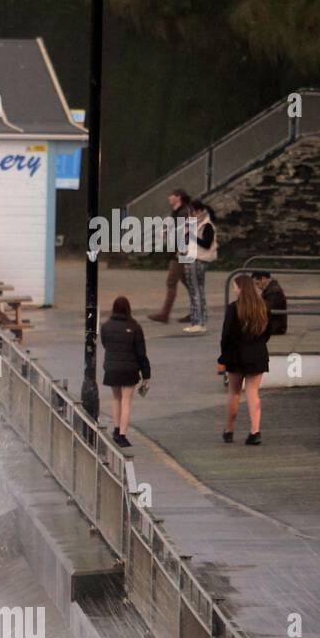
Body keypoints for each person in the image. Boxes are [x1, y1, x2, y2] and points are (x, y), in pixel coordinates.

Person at [218, 274, 272, 445]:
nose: (234, 289)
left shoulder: (234, 308)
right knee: (253, 392)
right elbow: (268, 331)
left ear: (240, 288)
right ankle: (255, 431)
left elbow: (226, 335)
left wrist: (223, 357)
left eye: (235, 287)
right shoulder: (263, 306)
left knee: (234, 393)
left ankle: (229, 430)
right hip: (257, 354)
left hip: (236, 355)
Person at [100, 295, 151, 448]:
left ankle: (116, 429)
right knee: (126, 400)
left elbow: (105, 344)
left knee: (116, 398)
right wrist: (146, 374)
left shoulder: (106, 326)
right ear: (128, 309)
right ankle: (122, 435)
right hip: (129, 369)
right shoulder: (134, 326)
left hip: (112, 368)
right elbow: (141, 353)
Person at [148, 188, 191, 323]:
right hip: (177, 251)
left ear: (178, 197)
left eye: (171, 195)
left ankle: (164, 314)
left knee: (171, 282)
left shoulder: (183, 212)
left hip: (181, 252)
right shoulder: (178, 212)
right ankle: (197, 311)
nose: (169, 198)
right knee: (189, 282)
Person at [181, 199, 218, 334]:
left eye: (191, 212)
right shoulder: (195, 224)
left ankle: (199, 322)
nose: (190, 215)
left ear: (198, 211)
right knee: (195, 291)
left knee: (196, 291)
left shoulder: (206, 225)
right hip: (191, 258)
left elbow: (206, 244)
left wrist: (191, 236)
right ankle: (197, 321)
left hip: (199, 260)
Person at [251, 270, 288, 336]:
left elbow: (268, 308)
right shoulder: (270, 289)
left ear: (263, 279)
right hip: (274, 325)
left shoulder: (274, 291)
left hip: (275, 326)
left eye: (257, 283)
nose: (257, 287)